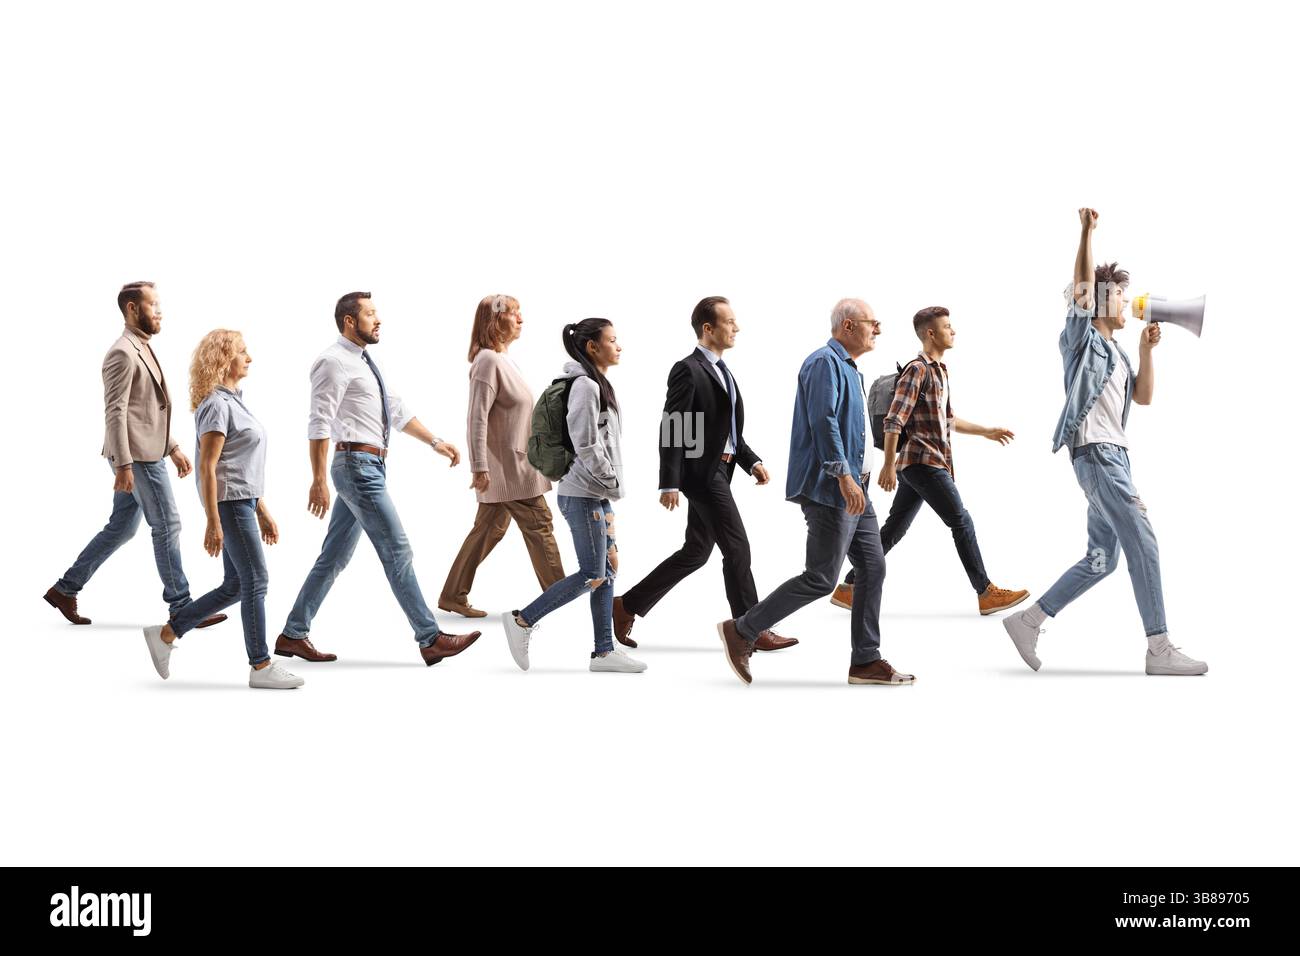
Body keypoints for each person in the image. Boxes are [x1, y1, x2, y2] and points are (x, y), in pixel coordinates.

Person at [1002, 208, 1207, 676]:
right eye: (1116, 296)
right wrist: (1087, 232)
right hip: (1096, 455)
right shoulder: (1081, 339)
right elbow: (1080, 290)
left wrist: (1146, 353)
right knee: (1145, 543)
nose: (1125, 302)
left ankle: (1028, 620)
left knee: (1101, 561)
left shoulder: (1114, 351)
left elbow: (1146, 398)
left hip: (1115, 458)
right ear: (1097, 303)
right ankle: (1159, 648)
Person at [274, 291, 481, 666]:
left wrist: (435, 441)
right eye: (370, 314)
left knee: (333, 558)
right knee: (398, 551)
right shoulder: (333, 361)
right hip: (356, 467)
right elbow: (319, 421)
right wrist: (317, 479)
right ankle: (430, 637)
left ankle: (293, 634)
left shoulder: (364, 361)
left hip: (369, 467)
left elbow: (395, 410)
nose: (378, 319)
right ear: (350, 321)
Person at [718, 299, 915, 686]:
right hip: (833, 488)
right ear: (847, 326)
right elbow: (823, 421)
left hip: (857, 490)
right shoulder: (824, 363)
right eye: (872, 323)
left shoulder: (850, 369)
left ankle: (865, 661)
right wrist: (842, 476)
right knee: (822, 578)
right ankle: (742, 629)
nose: (878, 329)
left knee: (873, 567)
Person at [612, 296, 797, 652]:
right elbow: (675, 426)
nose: (736, 327)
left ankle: (626, 605)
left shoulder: (723, 372)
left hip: (721, 470)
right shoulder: (688, 369)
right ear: (708, 328)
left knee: (696, 551)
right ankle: (749, 628)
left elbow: (721, 432)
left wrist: (750, 461)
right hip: (702, 475)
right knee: (738, 548)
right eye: (729, 322)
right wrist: (670, 481)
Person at [46, 282, 225, 632]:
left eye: (159, 305)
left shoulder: (140, 346)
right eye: (153, 305)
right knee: (168, 525)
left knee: (121, 528)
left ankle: (65, 589)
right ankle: (182, 606)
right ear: (132, 309)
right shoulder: (122, 353)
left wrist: (172, 447)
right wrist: (124, 465)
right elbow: (116, 412)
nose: (159, 311)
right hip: (137, 458)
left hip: (147, 451)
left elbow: (146, 410)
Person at [830, 306, 1028, 615]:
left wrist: (986, 431)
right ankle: (985, 591)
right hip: (923, 462)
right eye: (948, 326)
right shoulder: (917, 369)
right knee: (960, 521)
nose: (953, 331)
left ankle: (850, 586)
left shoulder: (939, 371)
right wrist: (888, 465)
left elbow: (947, 420)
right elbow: (894, 419)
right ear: (930, 333)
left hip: (922, 463)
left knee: (895, 528)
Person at [141, 331, 302, 688]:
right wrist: (213, 520)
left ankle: (167, 633)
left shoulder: (235, 401)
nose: (250, 358)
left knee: (235, 586)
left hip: (243, 502)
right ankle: (261, 666)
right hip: (228, 506)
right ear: (223, 357)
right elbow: (208, 467)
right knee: (256, 581)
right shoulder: (216, 404)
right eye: (243, 352)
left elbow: (239, 466)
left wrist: (262, 509)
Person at [500, 319, 647, 673]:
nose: (619, 346)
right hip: (583, 493)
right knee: (591, 573)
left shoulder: (598, 384)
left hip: (596, 493)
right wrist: (611, 478)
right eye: (612, 340)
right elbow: (585, 443)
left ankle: (603, 652)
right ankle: (522, 620)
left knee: (607, 570)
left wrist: (608, 486)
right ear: (592, 347)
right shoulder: (584, 386)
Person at [439, 295, 565, 618]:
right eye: (513, 313)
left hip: (513, 463)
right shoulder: (487, 362)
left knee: (488, 529)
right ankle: (564, 598)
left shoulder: (502, 360)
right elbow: (476, 418)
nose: (520, 318)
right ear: (495, 322)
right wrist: (479, 467)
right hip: (509, 468)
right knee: (540, 526)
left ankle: (453, 594)